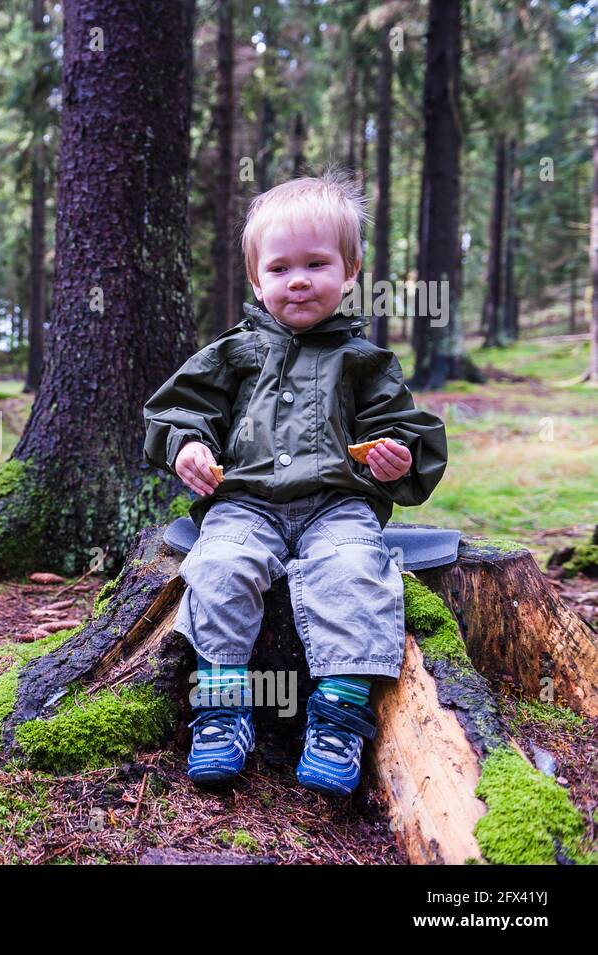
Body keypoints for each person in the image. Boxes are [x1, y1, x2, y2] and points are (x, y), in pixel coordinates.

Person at [142, 168, 448, 796]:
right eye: (280, 269)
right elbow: (180, 410)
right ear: (257, 279)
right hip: (245, 504)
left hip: (337, 505)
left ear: (351, 271)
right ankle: (223, 712)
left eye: (317, 264)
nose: (299, 280)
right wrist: (189, 446)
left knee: (355, 569)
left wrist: (396, 458)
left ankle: (336, 715)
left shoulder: (364, 362)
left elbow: (403, 430)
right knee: (220, 568)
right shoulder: (236, 352)